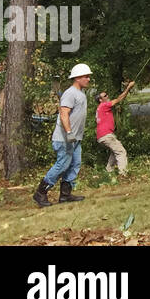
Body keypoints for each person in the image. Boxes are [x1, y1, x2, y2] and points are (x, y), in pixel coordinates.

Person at [33, 62, 91, 208]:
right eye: (86, 76)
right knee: (62, 165)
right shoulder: (70, 93)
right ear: (77, 78)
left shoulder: (81, 93)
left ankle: (65, 195)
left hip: (75, 139)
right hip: (65, 139)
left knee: (75, 164)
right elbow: (64, 114)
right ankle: (40, 193)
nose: (88, 79)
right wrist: (69, 133)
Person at [96, 80, 135, 178]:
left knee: (114, 152)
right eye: (105, 96)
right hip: (106, 135)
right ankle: (123, 175)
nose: (107, 96)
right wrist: (128, 88)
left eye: (107, 95)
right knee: (121, 152)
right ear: (100, 100)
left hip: (102, 136)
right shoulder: (104, 105)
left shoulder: (101, 108)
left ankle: (108, 172)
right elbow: (119, 99)